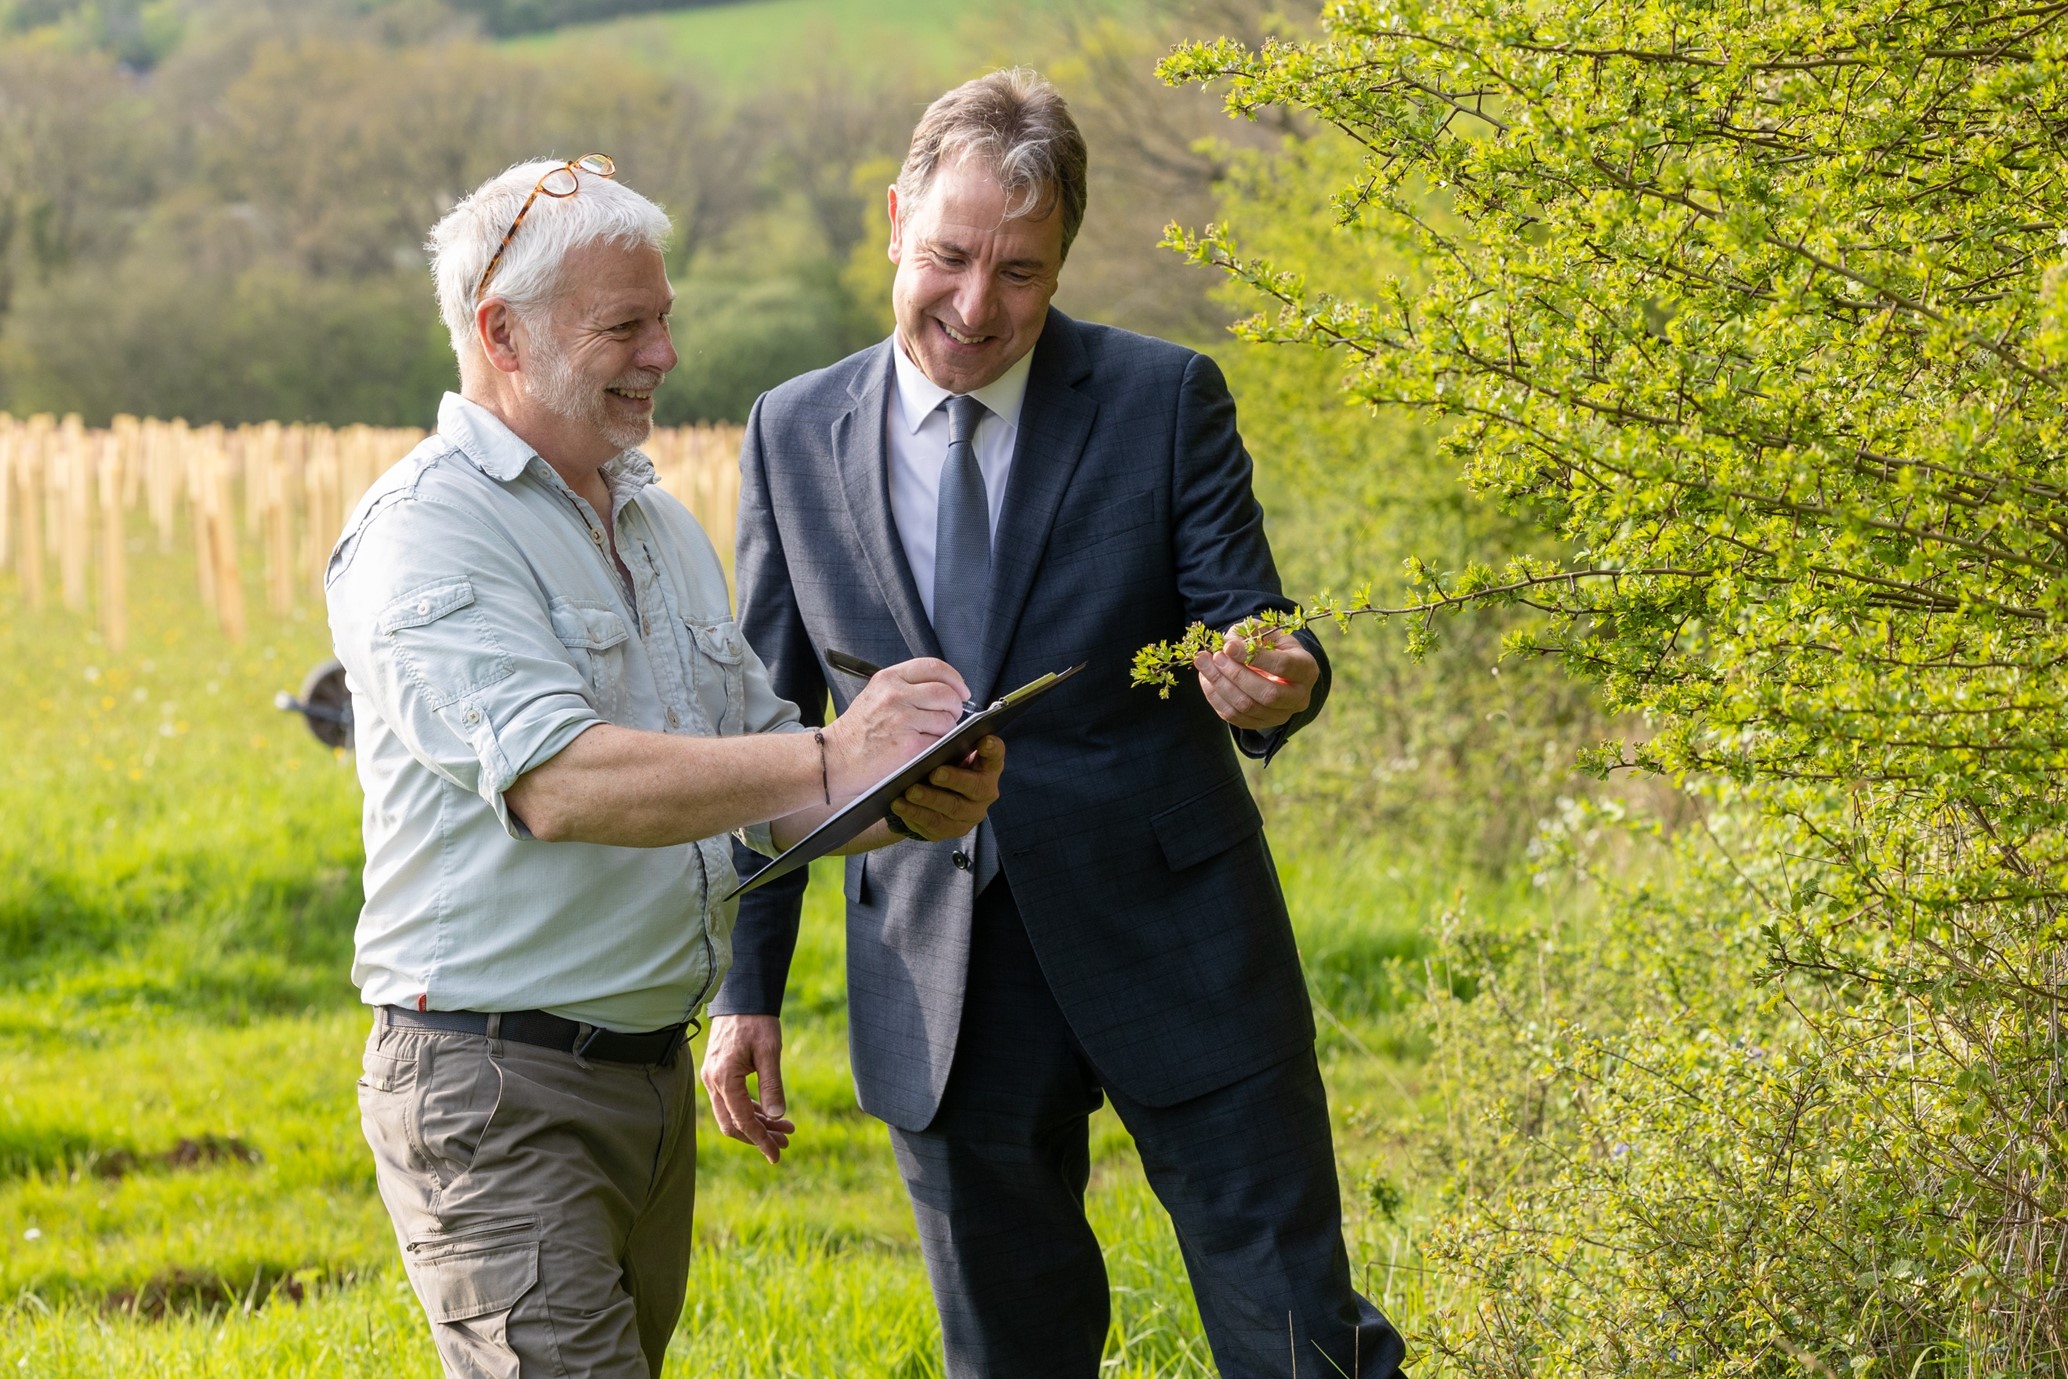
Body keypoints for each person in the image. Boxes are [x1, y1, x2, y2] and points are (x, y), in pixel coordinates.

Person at [699, 71, 1409, 1379]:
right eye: (951, 258)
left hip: (1179, 941)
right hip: (939, 970)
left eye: (1021, 273)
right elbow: (768, 719)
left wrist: (1280, 673)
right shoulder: (791, 430)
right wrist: (746, 986)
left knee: (1300, 1338)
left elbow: (1251, 618)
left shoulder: (1165, 397)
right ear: (896, 217)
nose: (977, 306)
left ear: (1065, 257)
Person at [326, 154, 1003, 1379]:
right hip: (496, 1085)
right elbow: (558, 783)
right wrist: (828, 746)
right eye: (624, 326)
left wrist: (903, 796)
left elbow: (763, 784)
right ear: (503, 335)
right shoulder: (427, 529)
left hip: (640, 1082)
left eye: (665, 318)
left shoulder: (653, 518)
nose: (664, 355)